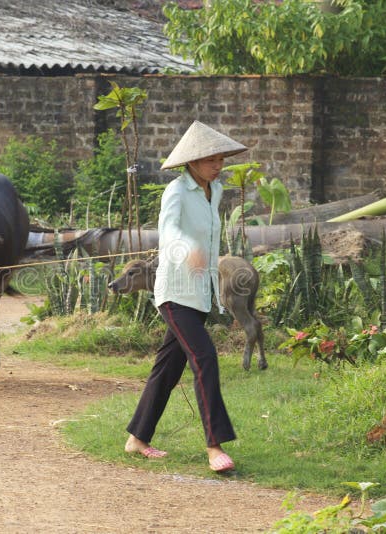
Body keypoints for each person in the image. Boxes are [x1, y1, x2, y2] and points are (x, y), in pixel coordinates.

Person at [124, 120, 247, 473]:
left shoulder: (216, 191)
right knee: (205, 358)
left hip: (201, 293)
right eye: (211, 159)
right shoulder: (176, 192)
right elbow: (169, 233)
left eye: (221, 158)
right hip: (175, 293)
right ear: (192, 162)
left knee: (167, 368)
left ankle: (137, 437)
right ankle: (214, 446)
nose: (218, 164)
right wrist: (188, 250)